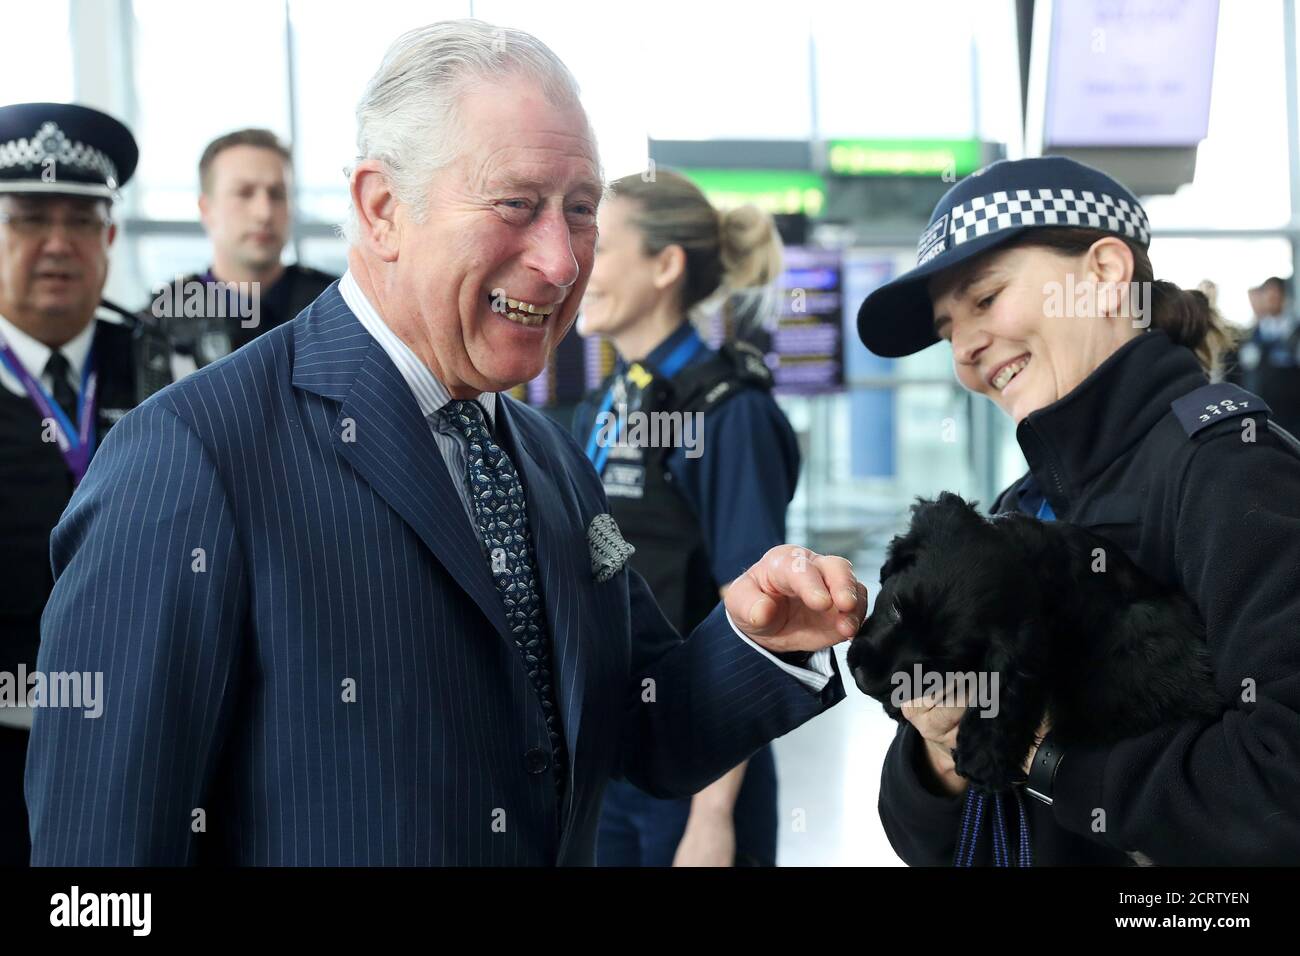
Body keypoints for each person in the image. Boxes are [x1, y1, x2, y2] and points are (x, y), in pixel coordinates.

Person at [24, 20, 865, 866]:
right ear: (381, 207)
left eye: (581, 211)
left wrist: (760, 643)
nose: (563, 261)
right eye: (516, 204)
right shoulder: (194, 458)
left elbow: (638, 725)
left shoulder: (545, 459)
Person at [858, 156, 1300, 865]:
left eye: (985, 298)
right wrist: (943, 751)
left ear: (1103, 273)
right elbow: (927, 834)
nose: (965, 350)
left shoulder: (1231, 471)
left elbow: (1282, 781)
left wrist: (1042, 753)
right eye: (947, 331)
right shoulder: (1020, 506)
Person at [572, 171, 797, 866]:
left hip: (698, 768)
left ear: (665, 266)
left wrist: (711, 816)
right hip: (610, 761)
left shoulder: (728, 412)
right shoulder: (602, 405)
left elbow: (757, 621)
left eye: (600, 245)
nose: (577, 262)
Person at [0, 102, 169, 866]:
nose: (58, 244)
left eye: (83, 219)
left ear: (110, 237)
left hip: (153, 749)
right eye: (30, 219)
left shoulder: (173, 370)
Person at [153, 128, 335, 370]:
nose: (264, 213)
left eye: (277, 194)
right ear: (206, 209)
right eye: (244, 193)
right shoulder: (164, 317)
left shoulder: (333, 306)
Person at [1225, 276, 1300, 435]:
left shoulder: (1295, 333)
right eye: (1268, 296)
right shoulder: (1250, 337)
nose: (1272, 300)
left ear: (1285, 297)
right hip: (1260, 415)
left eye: (1276, 295)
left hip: (1292, 415)